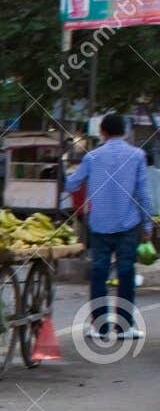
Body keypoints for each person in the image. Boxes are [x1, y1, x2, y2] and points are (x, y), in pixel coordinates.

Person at [67, 111, 152, 340]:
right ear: (125, 132)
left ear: (102, 132)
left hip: (99, 225)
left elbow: (72, 184)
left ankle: (100, 327)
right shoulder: (137, 156)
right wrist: (147, 225)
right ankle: (124, 327)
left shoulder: (92, 157)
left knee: (99, 274)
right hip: (128, 225)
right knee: (126, 273)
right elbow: (143, 194)